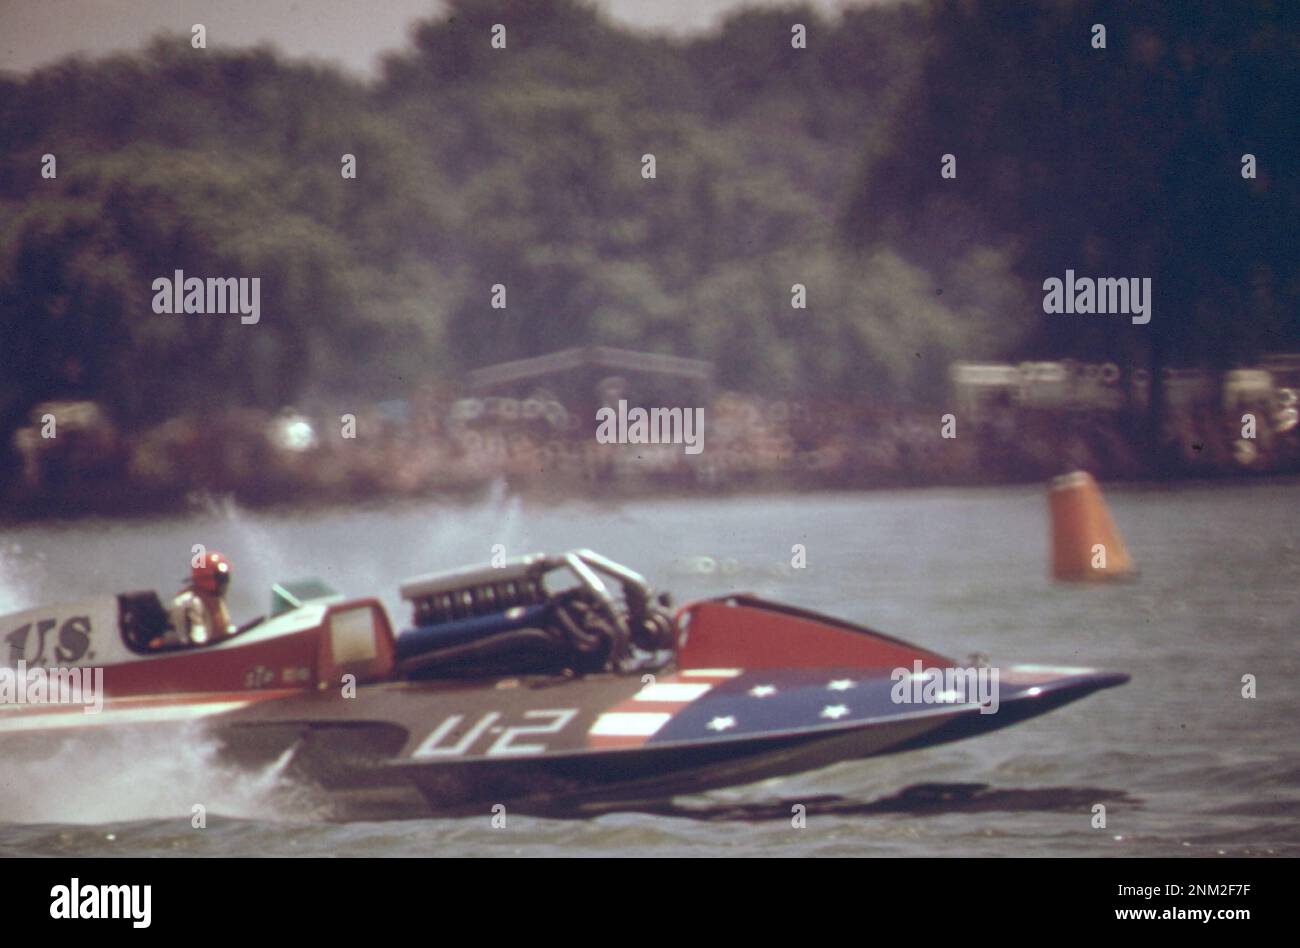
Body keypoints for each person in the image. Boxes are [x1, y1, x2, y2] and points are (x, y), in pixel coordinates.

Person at [150, 552, 235, 648]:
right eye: (222, 578)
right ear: (207, 578)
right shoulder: (189, 602)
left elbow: (227, 630)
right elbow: (197, 642)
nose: (226, 583)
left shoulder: (216, 599)